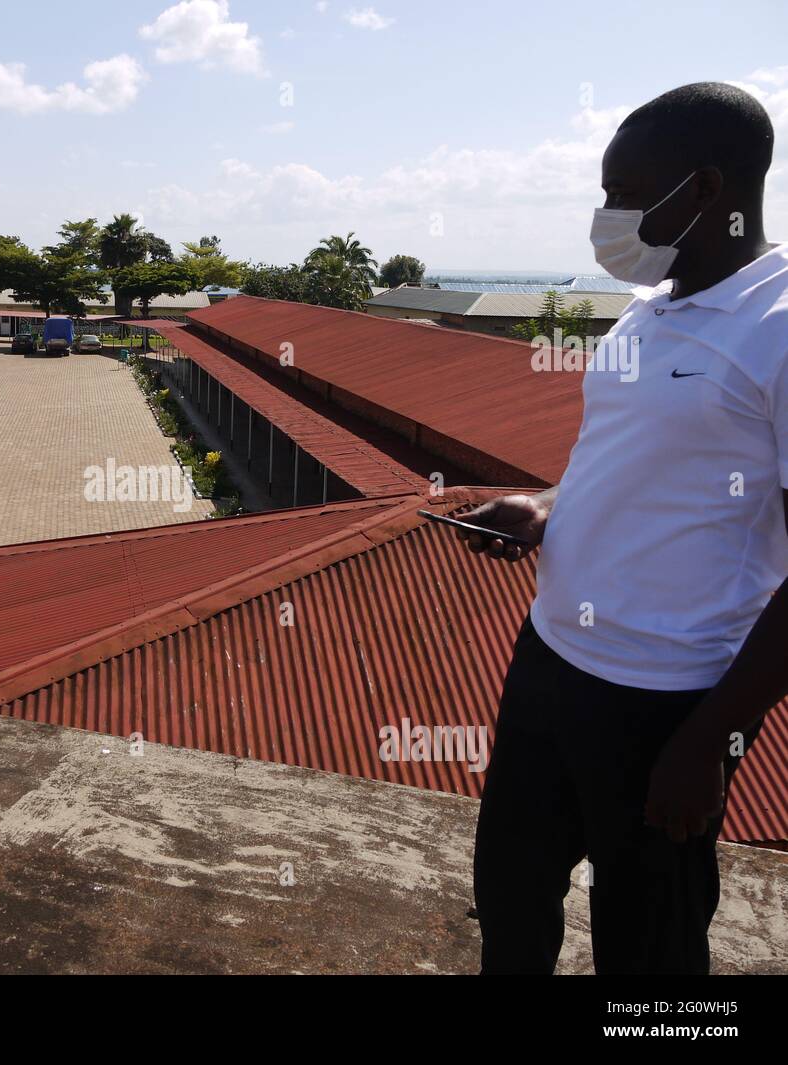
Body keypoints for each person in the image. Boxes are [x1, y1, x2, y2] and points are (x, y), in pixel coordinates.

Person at [461, 82, 786, 974]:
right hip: (550, 662)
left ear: (707, 189)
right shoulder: (654, 309)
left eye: (624, 193)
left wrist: (716, 736)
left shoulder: (779, 329)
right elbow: (616, 459)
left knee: (649, 946)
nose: (607, 217)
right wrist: (544, 507)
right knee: (511, 894)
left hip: (670, 700)